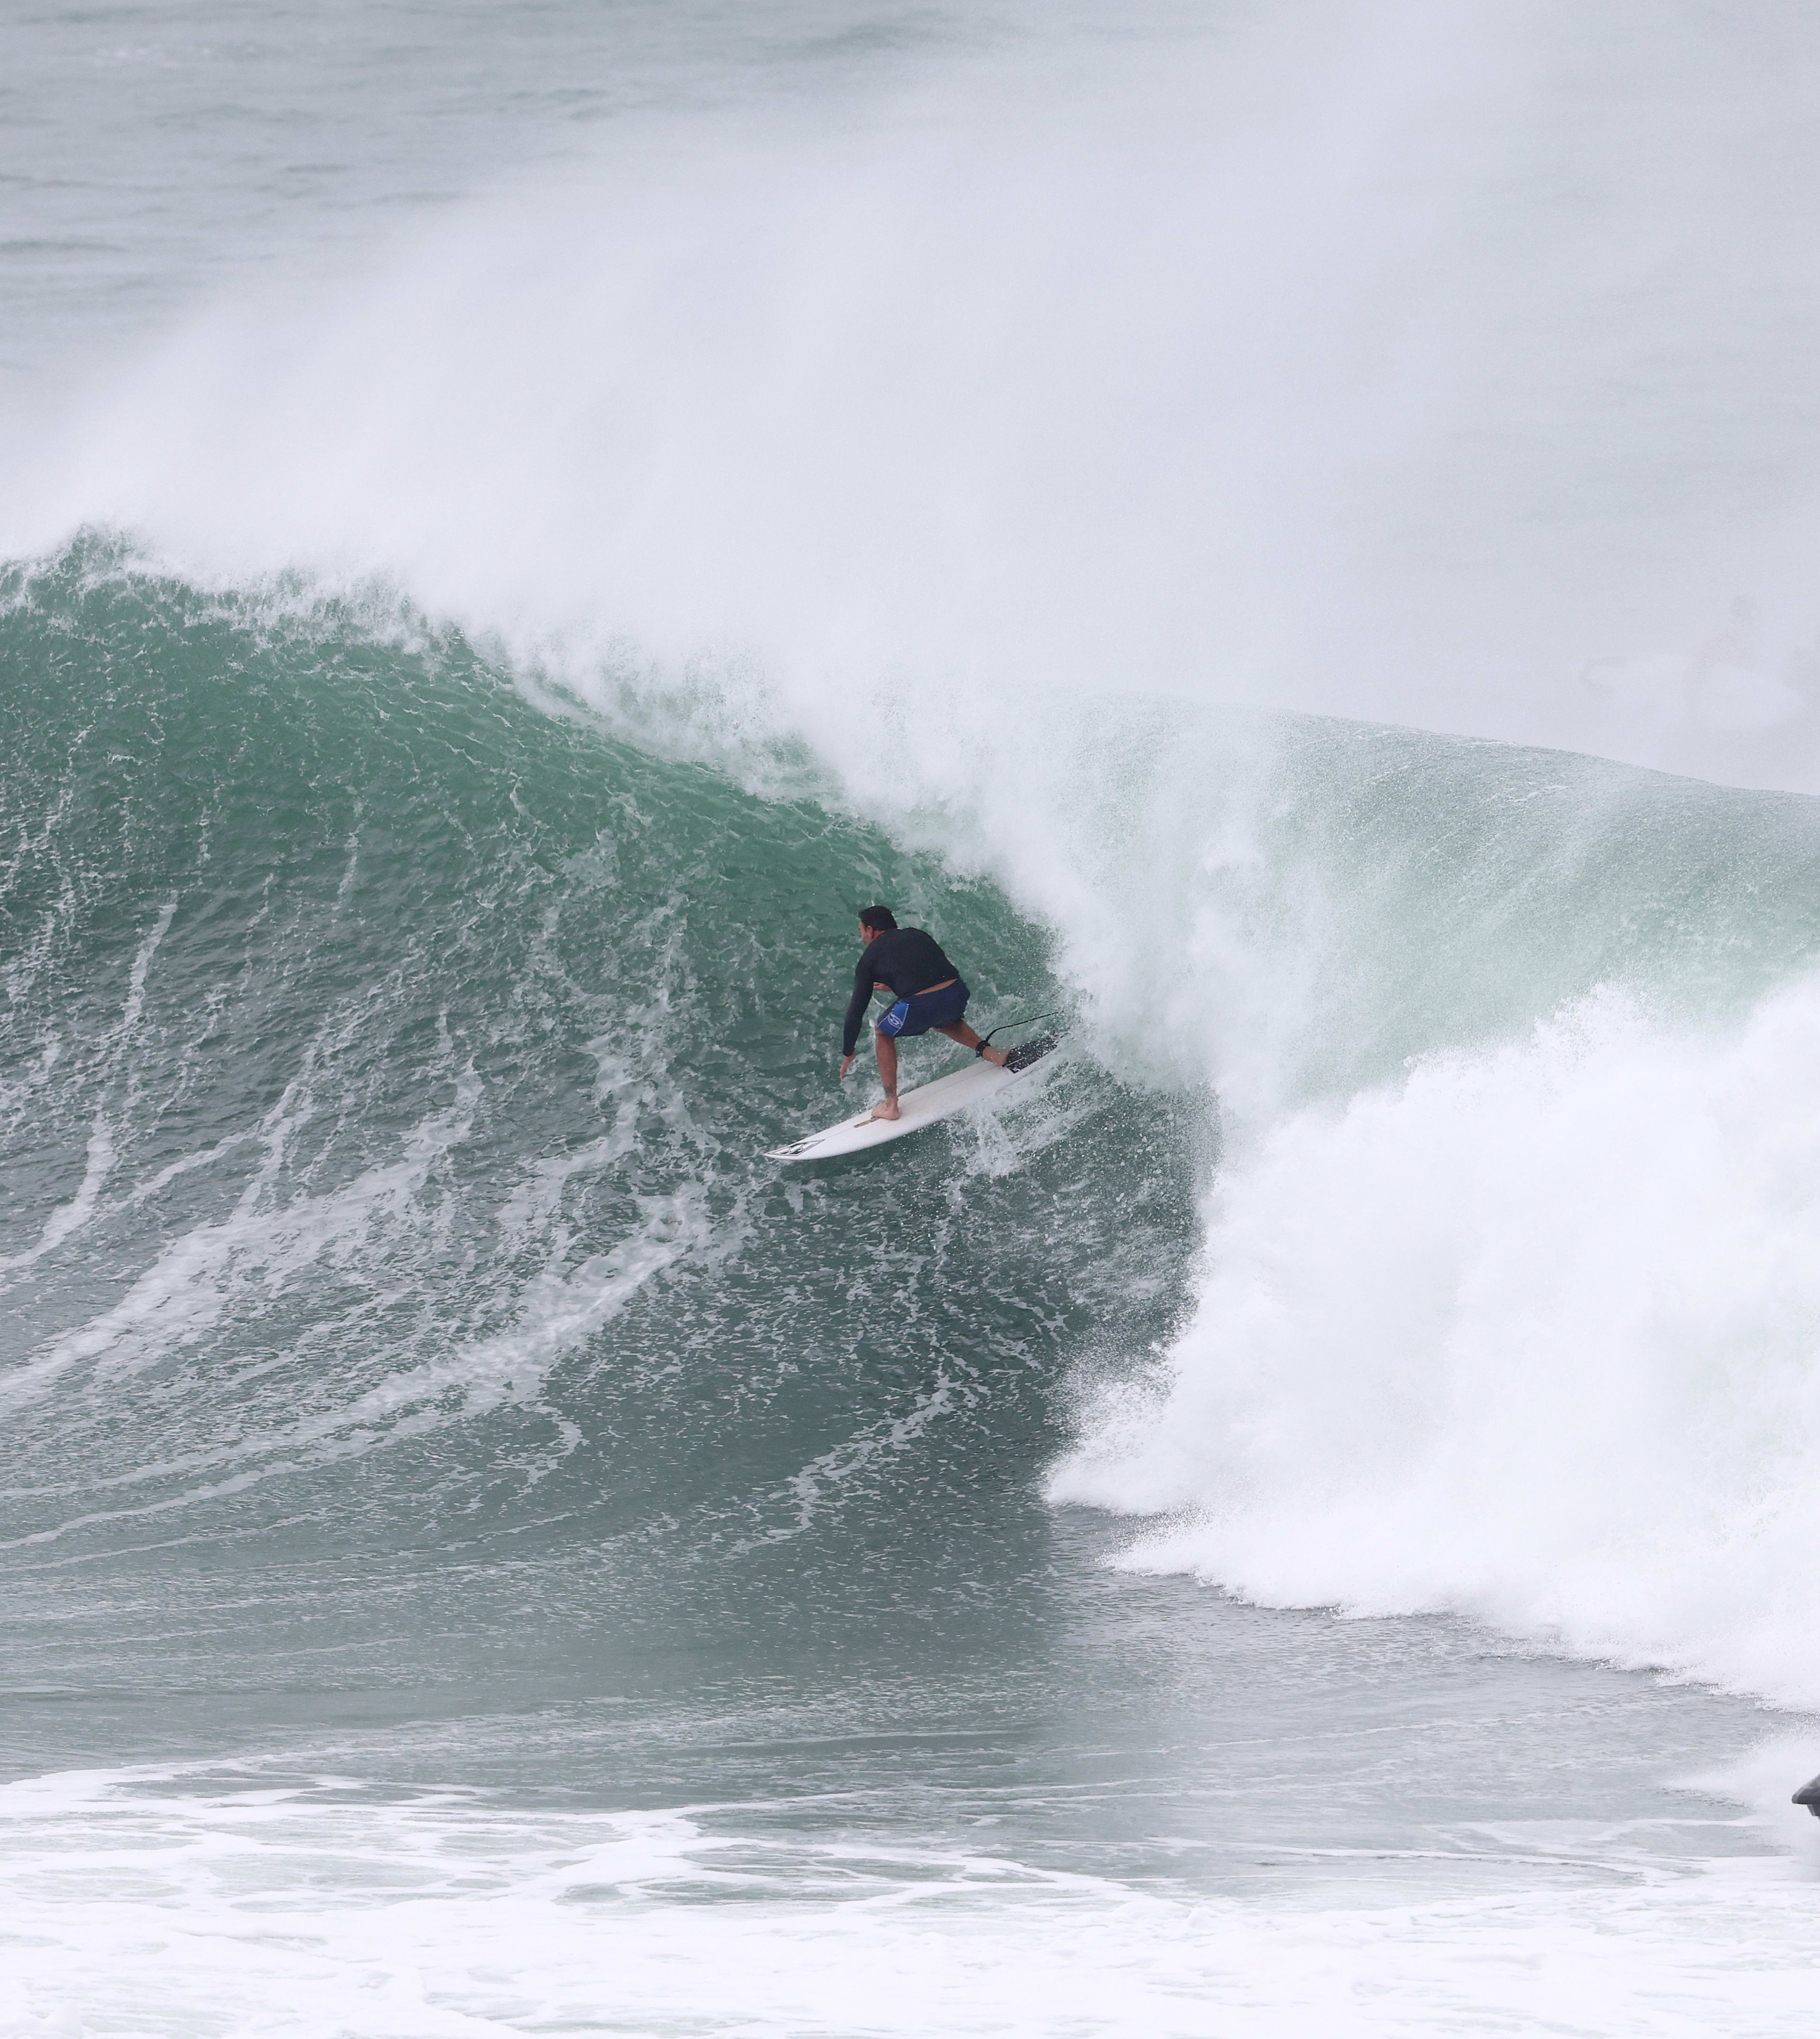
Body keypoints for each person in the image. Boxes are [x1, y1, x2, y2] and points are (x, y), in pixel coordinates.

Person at [839, 905, 1007, 1121]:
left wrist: (848, 1052)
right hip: (957, 992)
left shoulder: (869, 958)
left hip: (924, 1004)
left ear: (870, 930)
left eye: (861, 931)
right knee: (944, 1020)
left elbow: (856, 1011)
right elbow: (932, 973)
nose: (862, 937)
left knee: (883, 1031)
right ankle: (993, 1054)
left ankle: (891, 1105)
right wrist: (895, 985)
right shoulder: (917, 935)